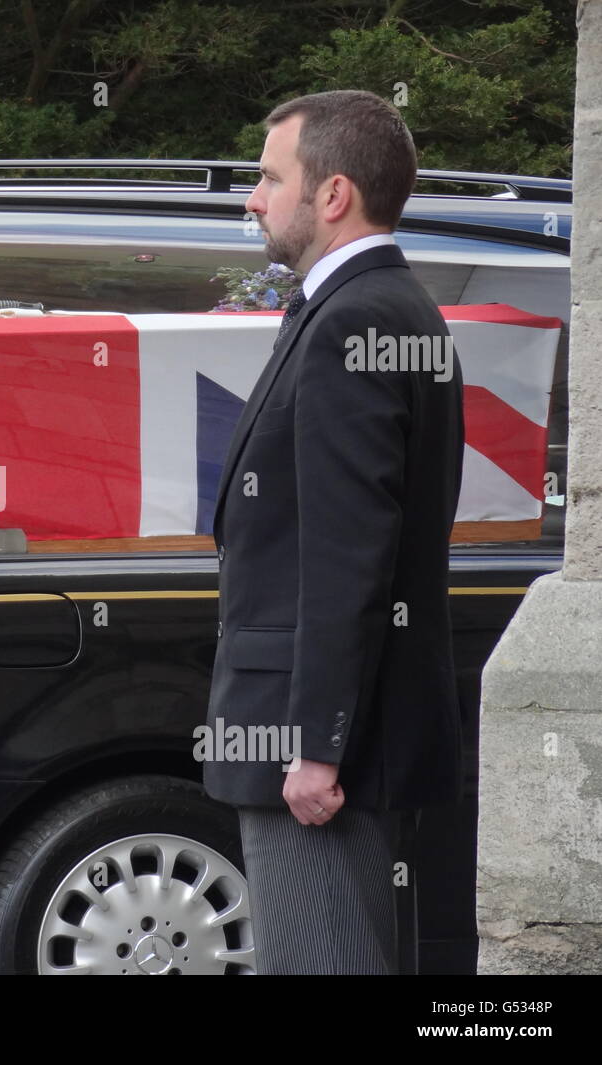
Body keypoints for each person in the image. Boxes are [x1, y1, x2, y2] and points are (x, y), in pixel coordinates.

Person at [204, 89, 464, 974]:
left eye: (271, 178)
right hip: (343, 740)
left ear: (333, 194)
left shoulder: (355, 318)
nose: (253, 198)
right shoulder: (386, 308)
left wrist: (317, 744)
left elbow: (350, 552)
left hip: (320, 758)